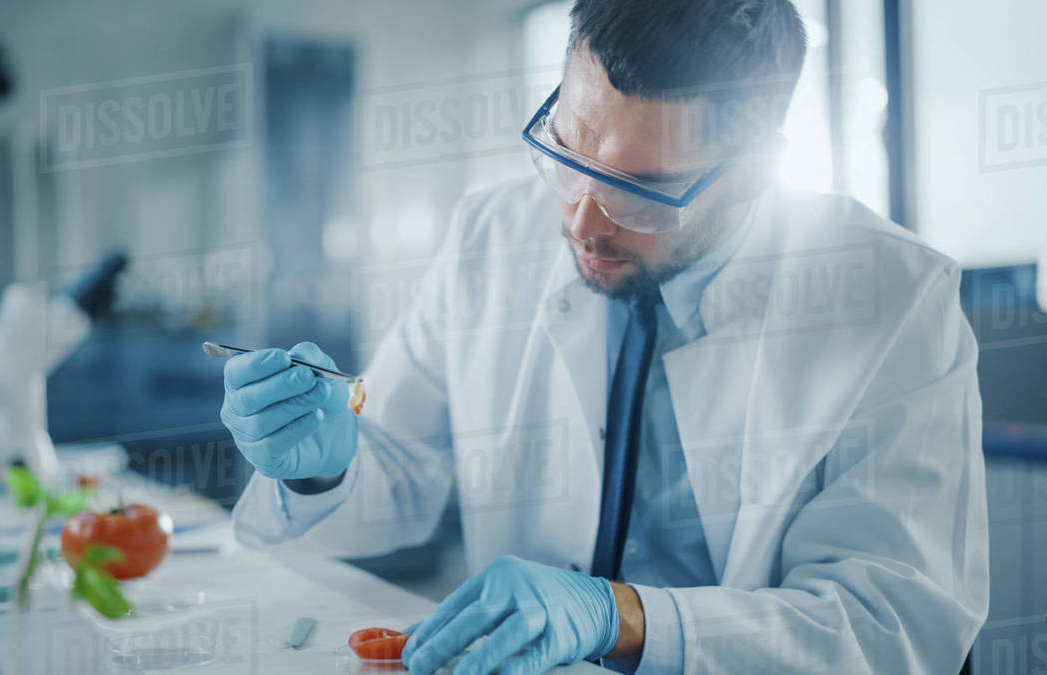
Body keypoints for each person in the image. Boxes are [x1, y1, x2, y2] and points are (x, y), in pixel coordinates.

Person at [220, 0, 989, 672]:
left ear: (754, 172)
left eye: (644, 191)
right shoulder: (492, 234)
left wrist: (618, 616)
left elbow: (890, 628)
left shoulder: (892, 298)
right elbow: (399, 463)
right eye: (569, 152)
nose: (584, 221)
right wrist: (323, 465)